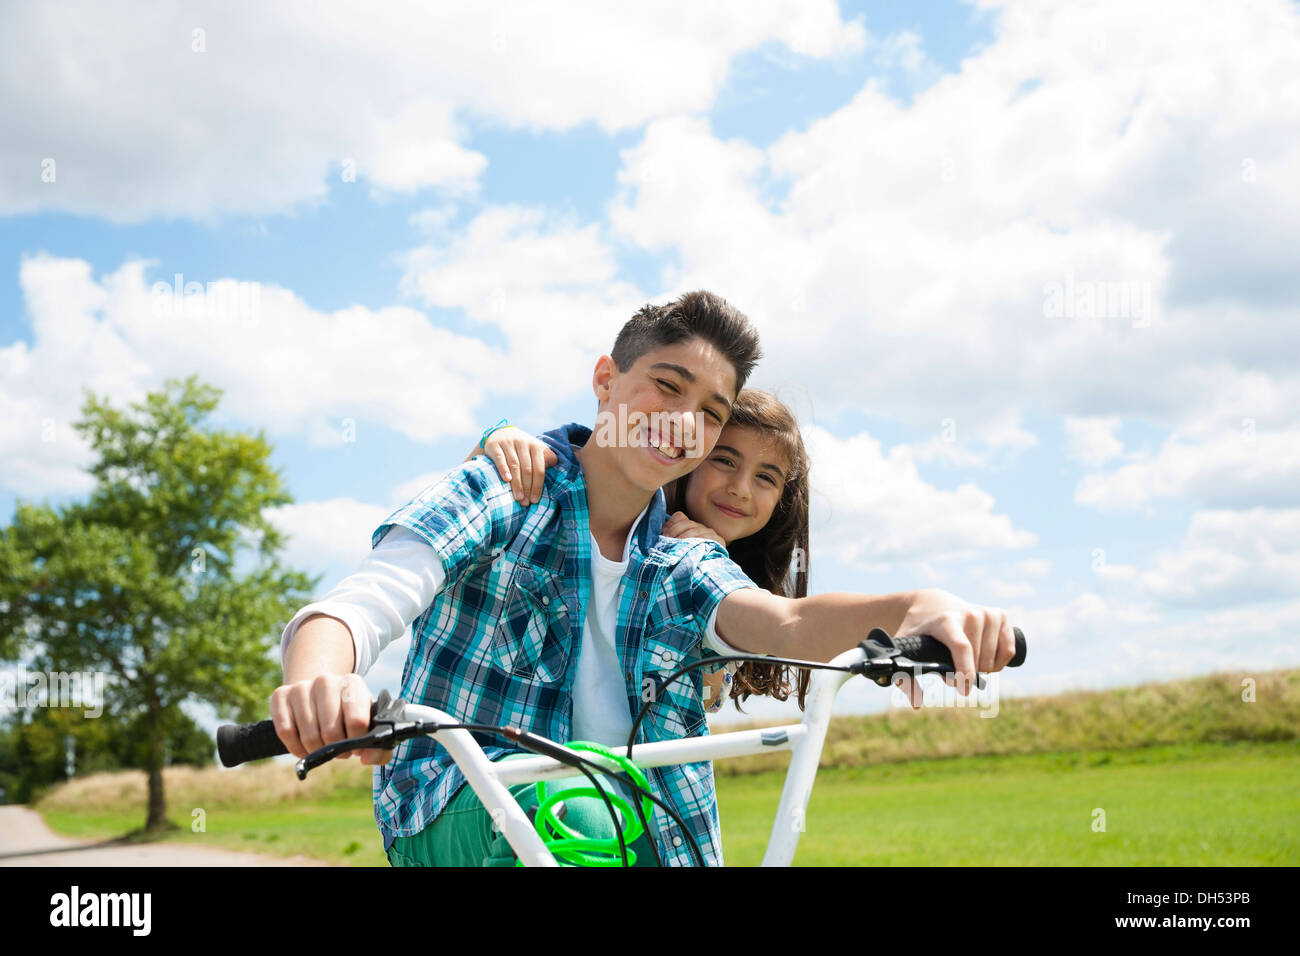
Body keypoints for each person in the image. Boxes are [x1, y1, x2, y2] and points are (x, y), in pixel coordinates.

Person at [273, 289, 1020, 867]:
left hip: (642, 824)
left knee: (625, 824)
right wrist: (325, 684)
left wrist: (921, 602)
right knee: (580, 815)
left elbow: (784, 624)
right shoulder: (506, 490)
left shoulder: (680, 557)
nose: (683, 421)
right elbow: (357, 608)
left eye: (710, 413)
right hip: (467, 801)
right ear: (606, 380)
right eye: (667, 385)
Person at [468, 387, 813, 716]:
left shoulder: (730, 577)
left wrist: (715, 559)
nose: (740, 489)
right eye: (724, 461)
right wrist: (496, 442)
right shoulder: (625, 516)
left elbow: (705, 699)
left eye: (766, 478)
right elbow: (471, 519)